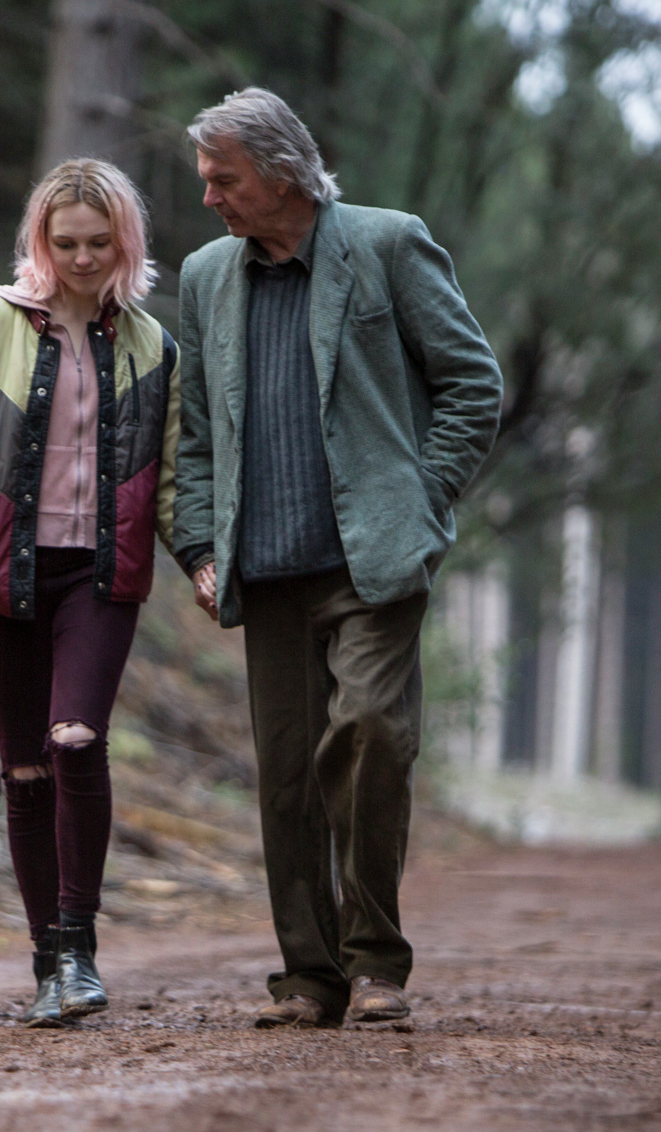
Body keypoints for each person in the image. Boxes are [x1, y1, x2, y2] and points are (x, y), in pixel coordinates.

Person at [171, 89, 502, 1029]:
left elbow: (471, 382)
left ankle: (375, 963)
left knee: (368, 736)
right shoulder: (204, 277)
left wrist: (420, 495)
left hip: (370, 564)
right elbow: (195, 433)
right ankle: (309, 977)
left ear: (280, 175)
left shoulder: (388, 243)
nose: (208, 198)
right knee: (285, 777)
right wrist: (197, 543)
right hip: (263, 568)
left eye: (222, 180)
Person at [0, 159, 181, 1028]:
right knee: (25, 766)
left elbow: (172, 473)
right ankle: (47, 964)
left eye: (98, 243)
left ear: (124, 243)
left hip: (98, 577)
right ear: (40, 240)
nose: (80, 258)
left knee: (75, 740)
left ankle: (80, 949)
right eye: (64, 242)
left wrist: (200, 555)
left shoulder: (151, 345)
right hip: (5, 574)